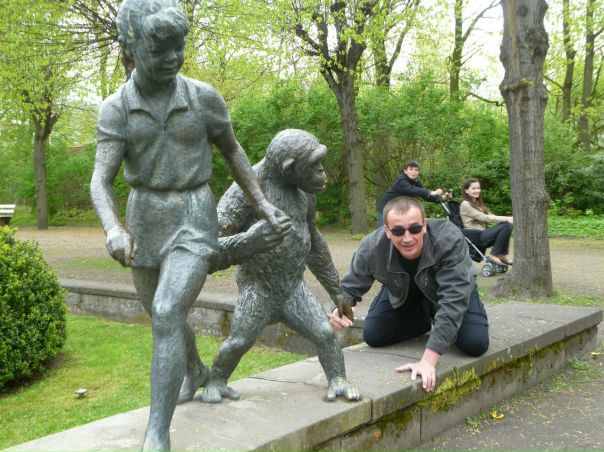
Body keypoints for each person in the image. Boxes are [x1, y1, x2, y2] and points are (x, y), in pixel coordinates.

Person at [90, 1, 290, 451]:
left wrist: (262, 203)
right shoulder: (116, 109)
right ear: (130, 48)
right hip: (144, 219)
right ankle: (196, 370)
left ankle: (156, 432)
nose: (173, 58)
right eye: (160, 50)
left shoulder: (203, 98)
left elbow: (233, 152)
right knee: (165, 315)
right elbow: (100, 181)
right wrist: (113, 228)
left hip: (193, 216)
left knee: (166, 311)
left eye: (178, 48)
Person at [329, 196, 489, 392]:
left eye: (414, 229)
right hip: (403, 291)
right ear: (387, 231)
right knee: (374, 335)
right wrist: (339, 309)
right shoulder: (371, 247)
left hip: (452, 291)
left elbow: (453, 298)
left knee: (475, 343)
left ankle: (437, 316)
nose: (407, 238)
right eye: (398, 231)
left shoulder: (448, 238)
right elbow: (349, 288)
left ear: (424, 225)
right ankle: (423, 319)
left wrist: (428, 360)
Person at [376, 160, 451, 227]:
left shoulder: (416, 182)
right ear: (405, 171)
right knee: (382, 232)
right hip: (385, 208)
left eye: (416, 170)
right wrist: (431, 192)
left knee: (397, 231)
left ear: (418, 172)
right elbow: (411, 190)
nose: (413, 172)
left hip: (399, 209)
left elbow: (425, 195)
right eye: (411, 169)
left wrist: (442, 198)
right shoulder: (401, 180)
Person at [460, 178, 514, 266]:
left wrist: (507, 219)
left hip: (483, 233)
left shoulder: (478, 203)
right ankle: (494, 254)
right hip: (476, 237)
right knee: (506, 225)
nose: (477, 190)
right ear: (466, 190)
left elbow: (491, 215)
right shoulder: (465, 204)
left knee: (507, 225)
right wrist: (507, 218)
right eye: (473, 188)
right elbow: (485, 218)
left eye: (478, 188)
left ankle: (502, 254)